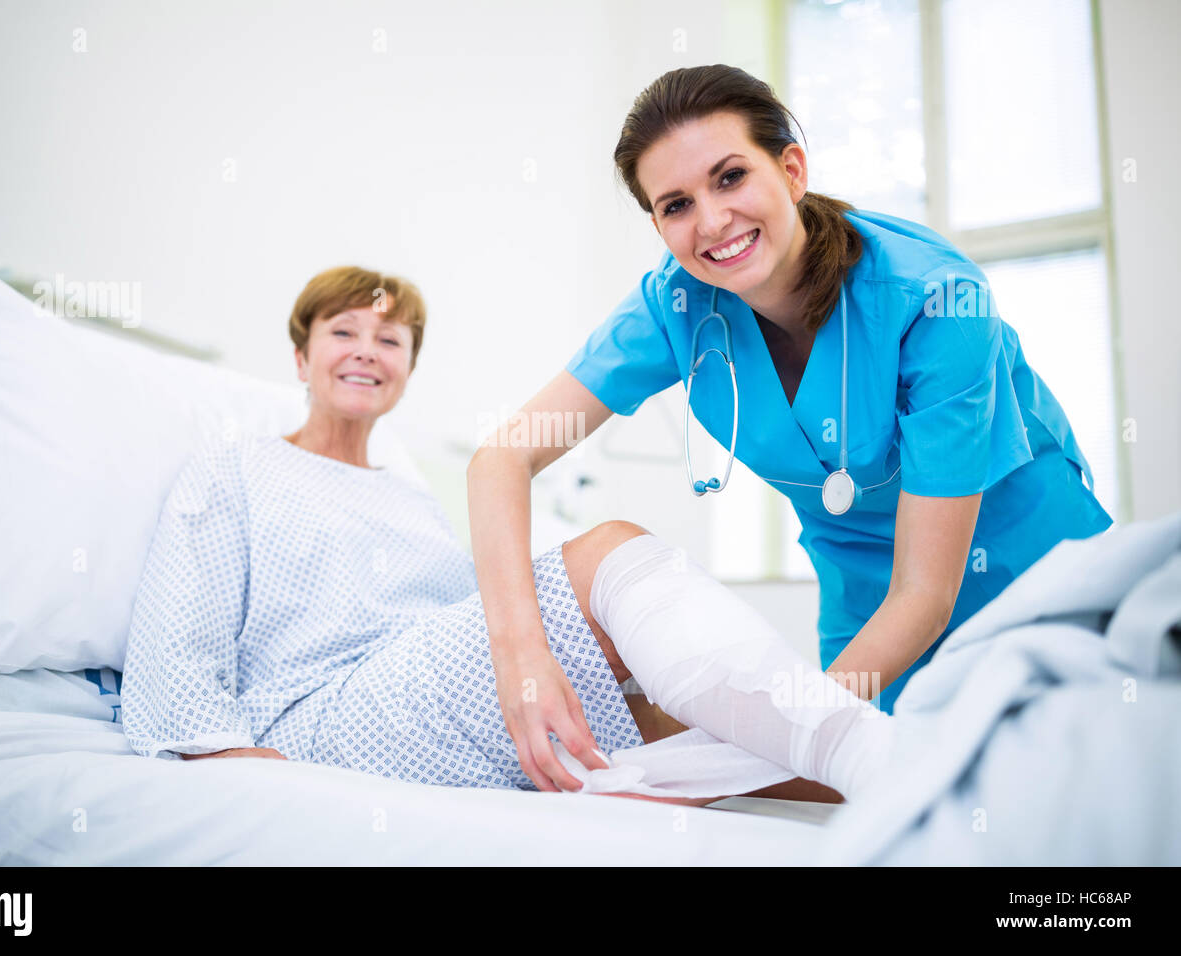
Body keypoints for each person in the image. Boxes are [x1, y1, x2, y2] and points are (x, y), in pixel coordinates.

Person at [466, 64, 1113, 798]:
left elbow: (927, 594)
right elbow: (501, 457)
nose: (711, 222)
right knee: (906, 803)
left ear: (792, 169)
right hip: (866, 597)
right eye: (676, 203)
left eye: (731, 177)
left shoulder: (936, 298)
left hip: (1025, 563)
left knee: (1076, 794)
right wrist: (520, 654)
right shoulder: (675, 306)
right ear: (657, 224)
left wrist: (796, 737)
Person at [119, 264, 894, 805]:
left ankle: (900, 778)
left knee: (678, 715)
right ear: (300, 355)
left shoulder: (410, 498)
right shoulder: (236, 471)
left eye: (389, 340)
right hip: (321, 714)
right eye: (342, 331)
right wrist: (218, 751)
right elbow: (177, 627)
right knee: (605, 552)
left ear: (408, 369)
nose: (365, 350)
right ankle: (878, 754)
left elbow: (459, 613)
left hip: (423, 689)